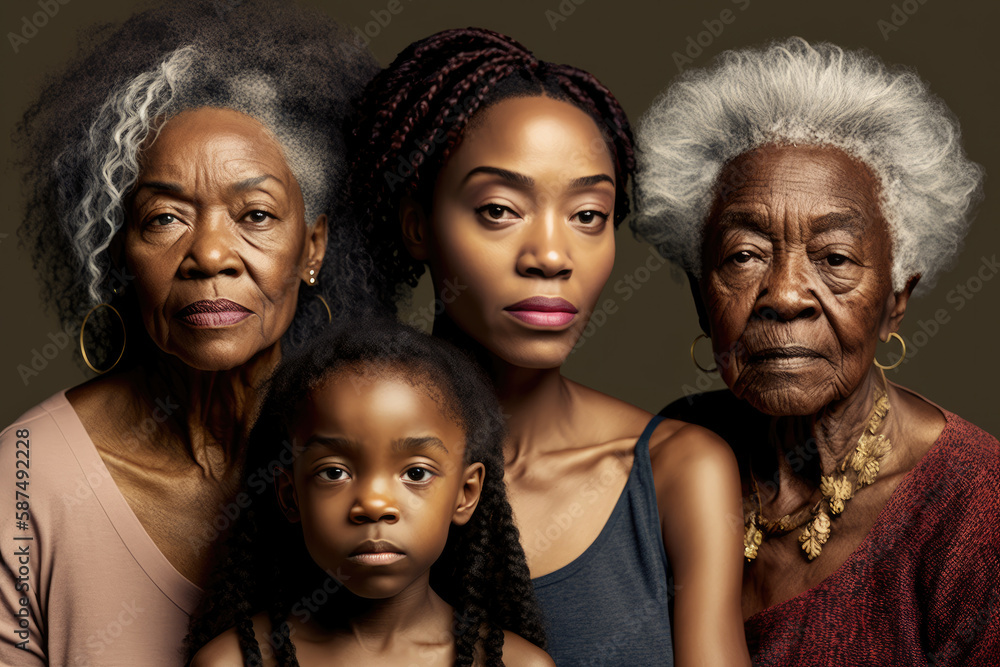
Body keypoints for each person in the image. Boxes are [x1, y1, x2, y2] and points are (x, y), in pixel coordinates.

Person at [350, 28, 750, 666]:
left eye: (588, 215)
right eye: (500, 210)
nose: (552, 257)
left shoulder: (679, 472)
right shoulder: (334, 466)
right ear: (417, 225)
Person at [0, 2, 379, 664]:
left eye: (255, 214)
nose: (210, 253)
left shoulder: (387, 470)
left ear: (312, 248)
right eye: (165, 218)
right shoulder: (25, 478)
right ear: (119, 250)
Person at [632, 37, 999, 665]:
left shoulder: (977, 508)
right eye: (744, 256)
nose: (784, 295)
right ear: (701, 297)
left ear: (895, 302)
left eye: (835, 259)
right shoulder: (673, 450)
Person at [186, 317, 553, 666]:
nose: (374, 505)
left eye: (416, 473)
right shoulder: (231, 661)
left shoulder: (514, 663)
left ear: (466, 492)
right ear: (289, 494)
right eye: (333, 472)